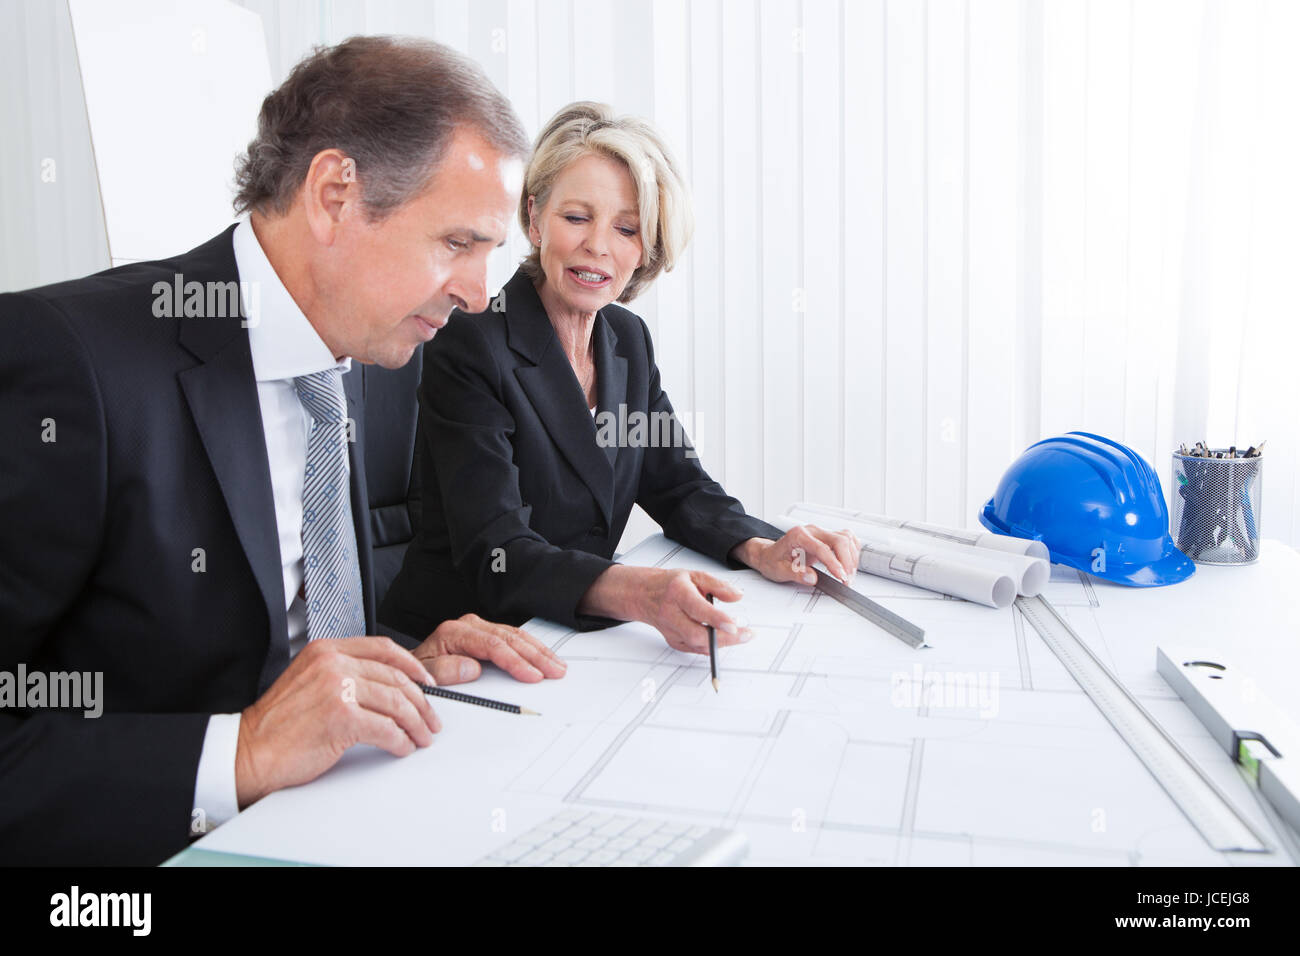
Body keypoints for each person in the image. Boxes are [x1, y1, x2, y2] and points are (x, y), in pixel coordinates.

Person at [0, 36, 565, 866]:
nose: (480, 296)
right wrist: (246, 750)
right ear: (335, 194)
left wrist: (398, 668)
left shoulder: (369, 347)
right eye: (457, 244)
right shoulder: (71, 362)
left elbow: (275, 638)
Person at [381, 102, 861, 655]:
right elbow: (500, 551)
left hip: (568, 639)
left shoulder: (625, 341)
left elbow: (678, 486)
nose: (599, 246)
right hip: (454, 647)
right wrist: (641, 593)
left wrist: (762, 546)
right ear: (535, 219)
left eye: (626, 227)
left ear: (645, 247)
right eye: (577, 217)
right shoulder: (472, 344)